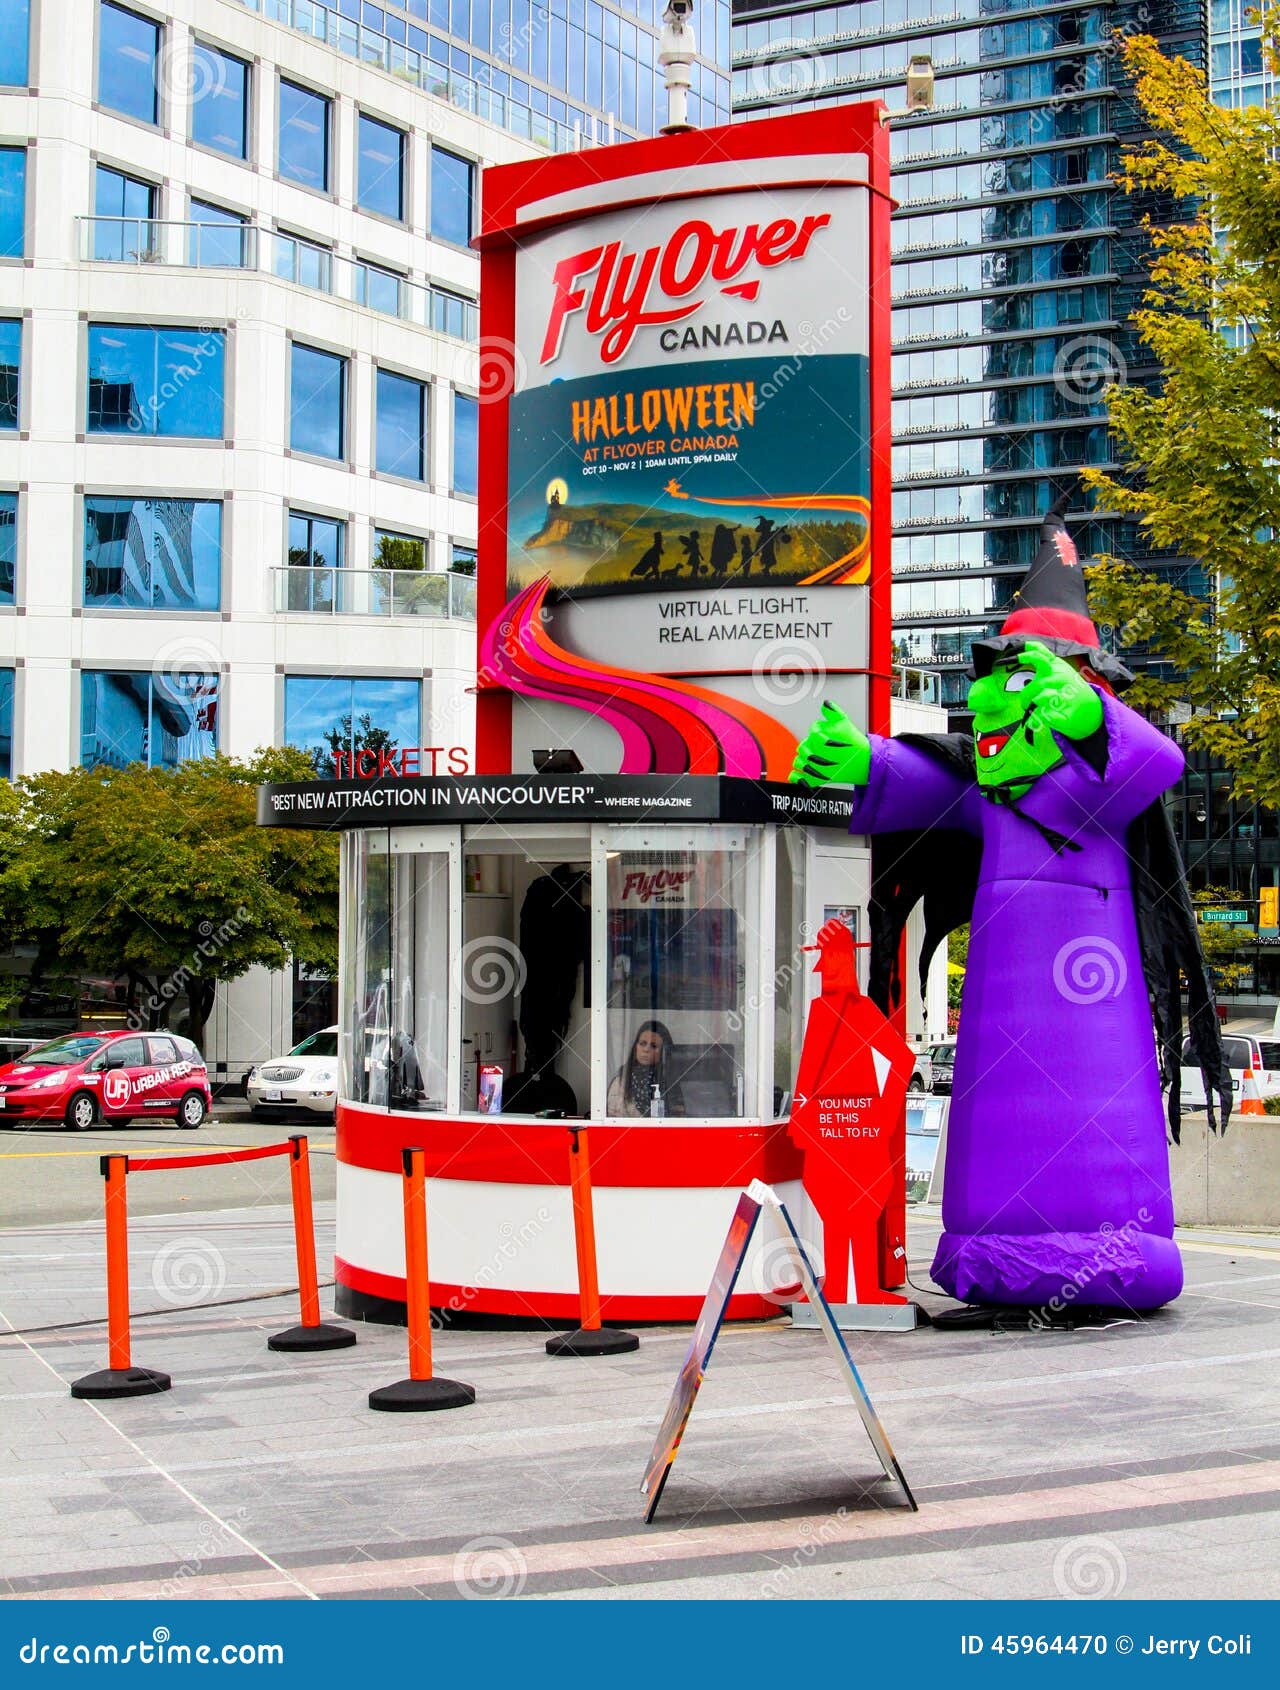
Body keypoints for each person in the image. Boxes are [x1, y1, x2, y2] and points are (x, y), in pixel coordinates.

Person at [607, 1020, 686, 1117]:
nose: (646, 1049)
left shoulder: (671, 1082)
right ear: (636, 1047)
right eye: (642, 1043)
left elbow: (678, 1117)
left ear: (663, 1053)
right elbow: (613, 1121)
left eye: (653, 1046)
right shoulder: (621, 1083)